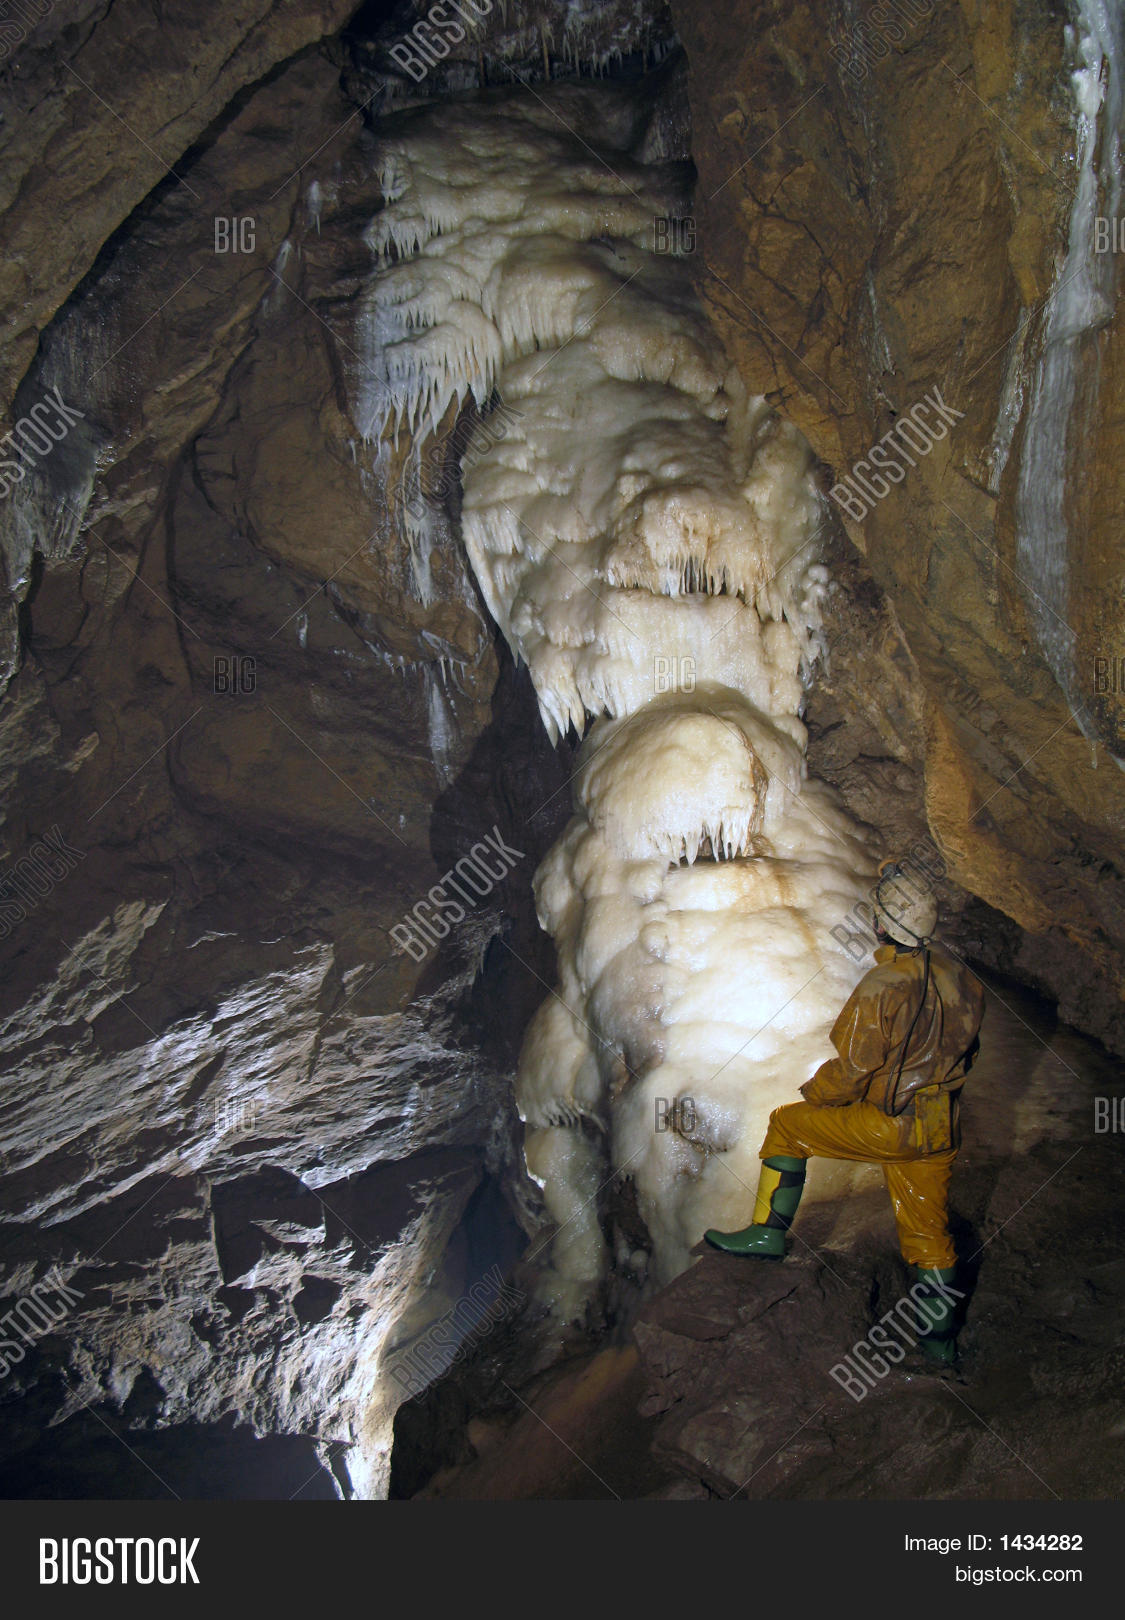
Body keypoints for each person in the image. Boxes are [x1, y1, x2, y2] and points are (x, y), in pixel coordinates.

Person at [704, 862, 985, 1363]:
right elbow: (970, 1051)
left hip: (890, 1124)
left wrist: (817, 1092)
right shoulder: (962, 979)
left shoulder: (883, 985)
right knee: (928, 1236)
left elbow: (853, 1070)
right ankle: (939, 1346)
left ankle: (767, 1236)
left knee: (787, 1125)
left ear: (882, 925)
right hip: (940, 1124)